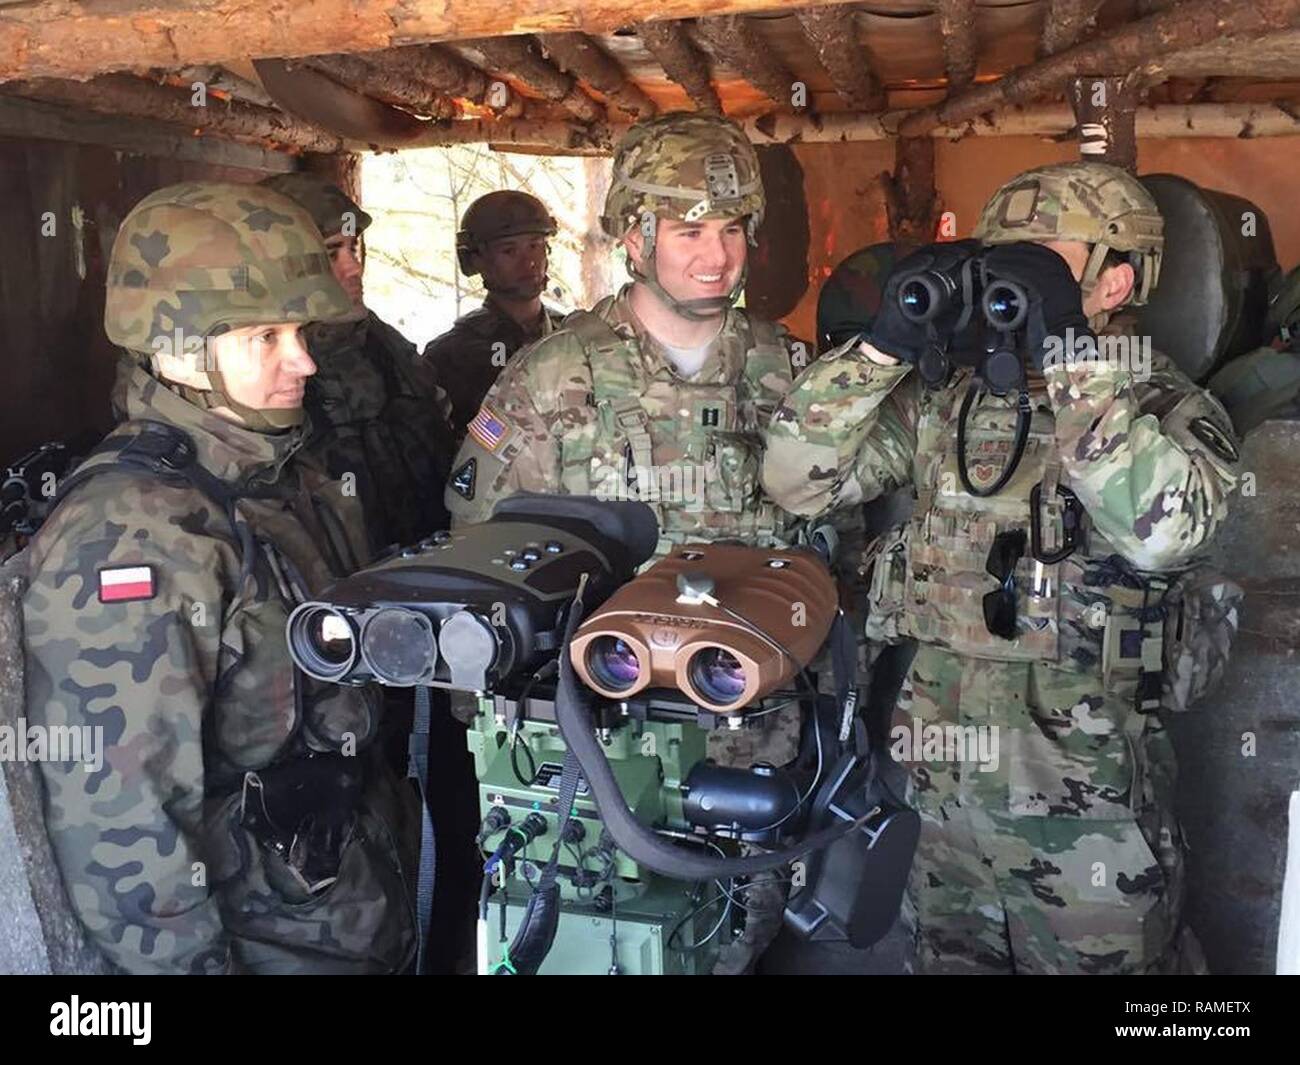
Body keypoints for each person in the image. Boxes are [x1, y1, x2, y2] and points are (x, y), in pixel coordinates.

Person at [763, 162, 1241, 974]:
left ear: (1115, 278)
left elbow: (1163, 532)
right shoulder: (945, 402)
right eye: (1001, 259)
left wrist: (1069, 353)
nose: (1006, 281)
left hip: (1082, 790)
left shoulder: (1167, 405)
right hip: (939, 777)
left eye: (1042, 264)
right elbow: (794, 479)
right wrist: (882, 347)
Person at [444, 112, 806, 974]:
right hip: (601, 750)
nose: (716, 256)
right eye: (689, 231)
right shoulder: (551, 376)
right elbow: (481, 556)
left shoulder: (787, 369)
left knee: (730, 950)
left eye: (731, 230)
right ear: (636, 236)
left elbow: (839, 544)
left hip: (753, 744)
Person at [23, 182, 416, 974]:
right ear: (175, 349)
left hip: (346, 906)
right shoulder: (131, 536)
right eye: (264, 336)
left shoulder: (281, 474)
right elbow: (125, 840)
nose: (301, 360)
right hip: (263, 945)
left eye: (299, 331)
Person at [260, 172, 455, 555]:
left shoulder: (382, 342)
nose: (353, 268)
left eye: (353, 249)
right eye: (332, 253)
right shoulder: (260, 371)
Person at [419, 191, 566, 442]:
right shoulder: (451, 355)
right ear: (476, 260)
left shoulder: (574, 334)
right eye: (509, 251)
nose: (529, 262)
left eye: (535, 246)